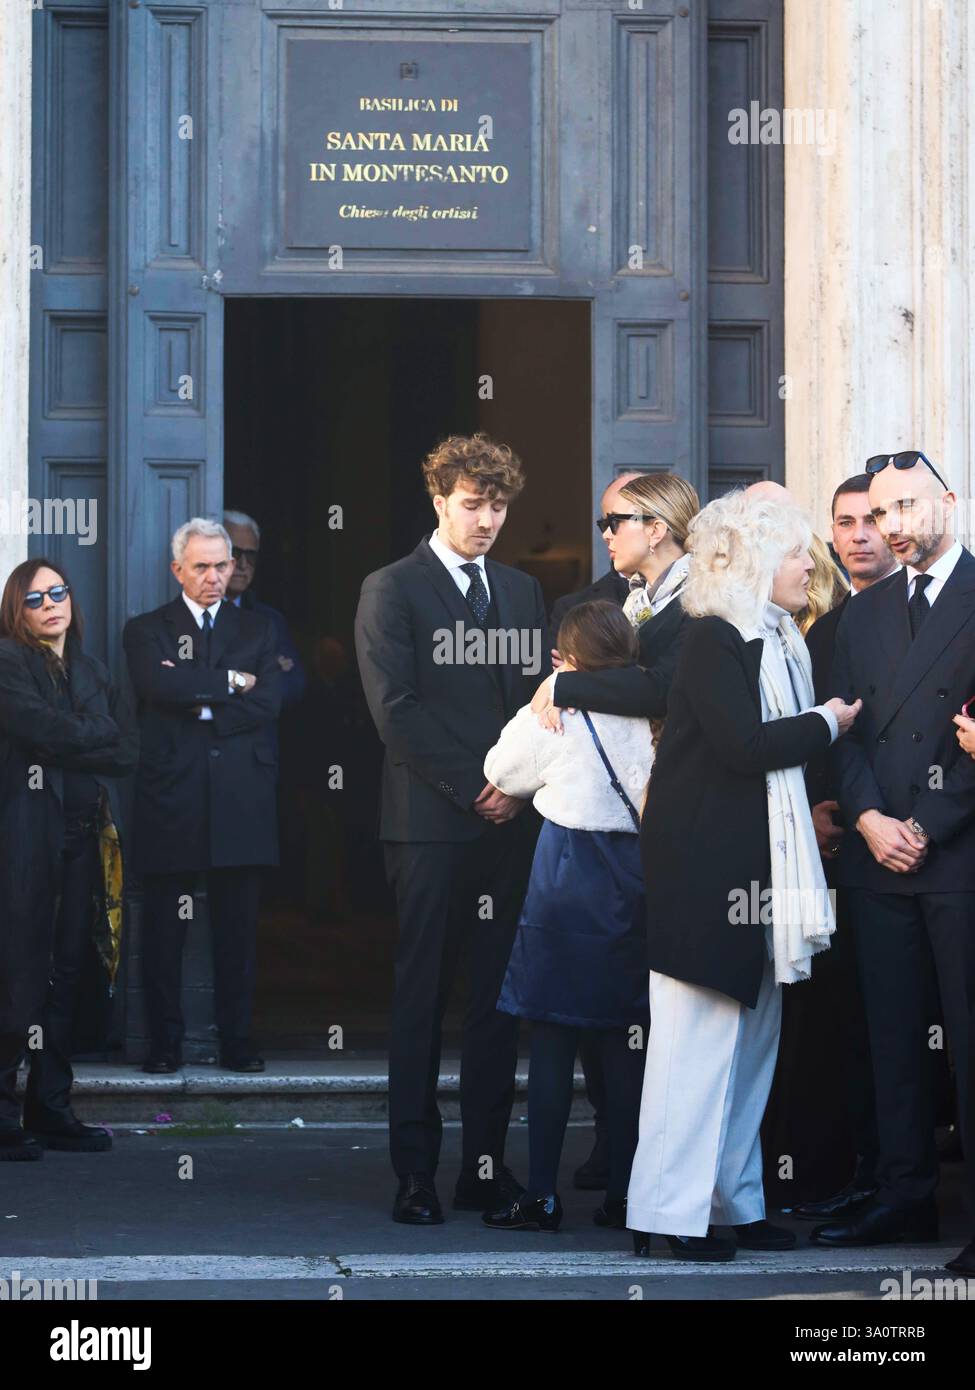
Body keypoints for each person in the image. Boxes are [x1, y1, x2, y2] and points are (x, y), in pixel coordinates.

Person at [623, 491, 860, 1260]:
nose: (809, 565)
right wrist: (826, 720)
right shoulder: (712, 638)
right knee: (694, 1050)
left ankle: (733, 1202)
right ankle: (667, 1214)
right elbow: (740, 745)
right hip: (704, 874)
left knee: (750, 1043)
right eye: (797, 552)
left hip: (756, 872)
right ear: (756, 559)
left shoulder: (774, 637)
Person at [354, 434, 550, 1225]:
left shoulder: (521, 590)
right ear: (439, 501)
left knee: (497, 1004)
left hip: (510, 826)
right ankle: (414, 1174)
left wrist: (517, 787)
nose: (487, 519)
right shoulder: (390, 587)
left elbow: (542, 701)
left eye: (498, 505)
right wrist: (479, 787)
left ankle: (480, 1167)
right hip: (430, 825)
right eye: (472, 504)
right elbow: (393, 710)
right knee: (421, 998)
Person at [811, 452, 975, 1277]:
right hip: (878, 859)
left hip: (957, 855)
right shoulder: (861, 616)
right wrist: (872, 819)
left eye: (907, 506)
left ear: (947, 500)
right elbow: (845, 730)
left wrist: (924, 823)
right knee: (892, 1038)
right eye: (879, 515)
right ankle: (902, 1194)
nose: (892, 527)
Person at [547, 471, 700, 1191]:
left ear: (658, 527)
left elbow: (661, 688)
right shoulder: (630, 601)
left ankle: (655, 1168)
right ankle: (619, 1151)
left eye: (615, 520)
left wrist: (565, 685)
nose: (604, 533)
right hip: (632, 823)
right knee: (616, 1003)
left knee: (658, 1007)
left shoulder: (699, 599)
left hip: (678, 820)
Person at [480, 601, 652, 1232]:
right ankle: (627, 1193)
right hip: (632, 884)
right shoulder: (653, 715)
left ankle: (544, 1194)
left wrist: (545, 694)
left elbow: (499, 769)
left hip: (564, 886)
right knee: (626, 1045)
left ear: (567, 657)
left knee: (552, 1042)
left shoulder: (556, 713)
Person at [764, 473, 897, 1216]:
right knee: (820, 1020)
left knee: (887, 1025)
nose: (857, 535)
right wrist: (815, 811)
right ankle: (818, 1173)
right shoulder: (819, 630)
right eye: (843, 521)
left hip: (906, 851)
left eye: (871, 519)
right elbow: (810, 730)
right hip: (820, 852)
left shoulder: (930, 616)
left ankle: (886, 1172)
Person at [124, 518, 282, 1075]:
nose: (218, 575)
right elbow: (157, 687)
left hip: (242, 799)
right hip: (172, 795)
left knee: (238, 933)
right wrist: (233, 683)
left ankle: (236, 1043)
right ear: (178, 571)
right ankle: (164, 1045)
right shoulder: (146, 631)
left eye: (225, 565)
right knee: (165, 931)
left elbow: (270, 703)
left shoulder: (261, 630)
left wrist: (196, 690)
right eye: (204, 567)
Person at [0, 559, 137, 1159]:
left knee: (68, 970)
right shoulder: (7, 662)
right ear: (16, 610)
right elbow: (37, 728)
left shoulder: (93, 670)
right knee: (18, 972)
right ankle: (4, 1117)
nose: (52, 604)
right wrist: (88, 734)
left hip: (86, 839)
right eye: (36, 598)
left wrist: (73, 735)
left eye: (59, 592)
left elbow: (126, 749)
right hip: (26, 841)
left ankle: (50, 1108)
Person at [223, 510, 306, 709]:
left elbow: (294, 686)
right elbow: (193, 684)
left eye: (250, 555)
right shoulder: (194, 612)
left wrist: (225, 680)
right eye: (234, 553)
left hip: (257, 738)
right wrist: (263, 673)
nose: (242, 564)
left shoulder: (271, 620)